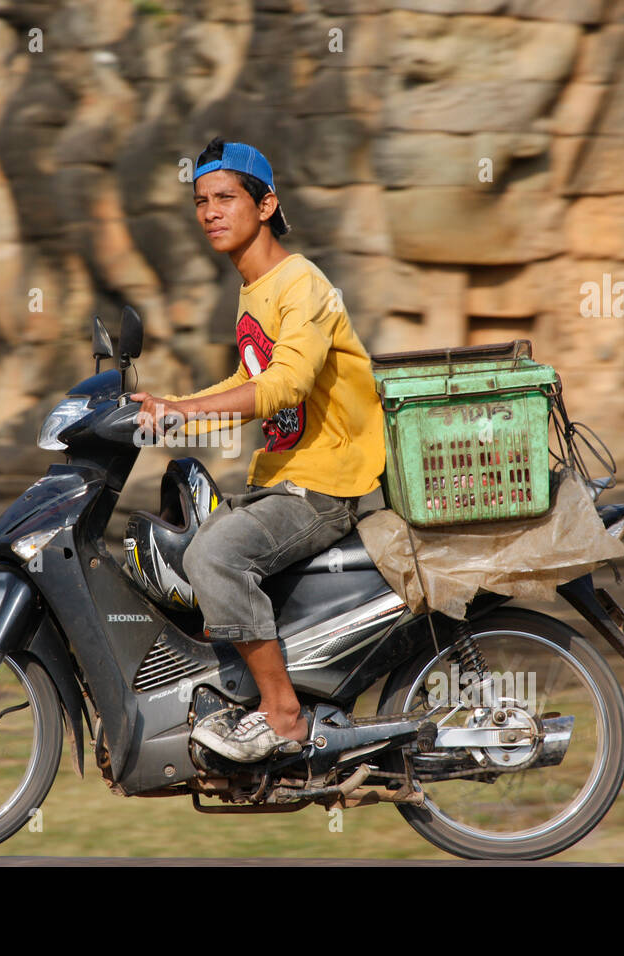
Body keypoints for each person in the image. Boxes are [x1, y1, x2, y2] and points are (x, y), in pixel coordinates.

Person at [130, 138, 386, 762]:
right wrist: (166, 409)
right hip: (284, 477)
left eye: (225, 198)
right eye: (200, 202)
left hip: (325, 483)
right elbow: (249, 381)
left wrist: (186, 412)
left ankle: (282, 713)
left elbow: (285, 384)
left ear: (265, 203)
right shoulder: (256, 288)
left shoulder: (302, 284)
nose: (210, 212)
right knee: (178, 540)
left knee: (215, 555)